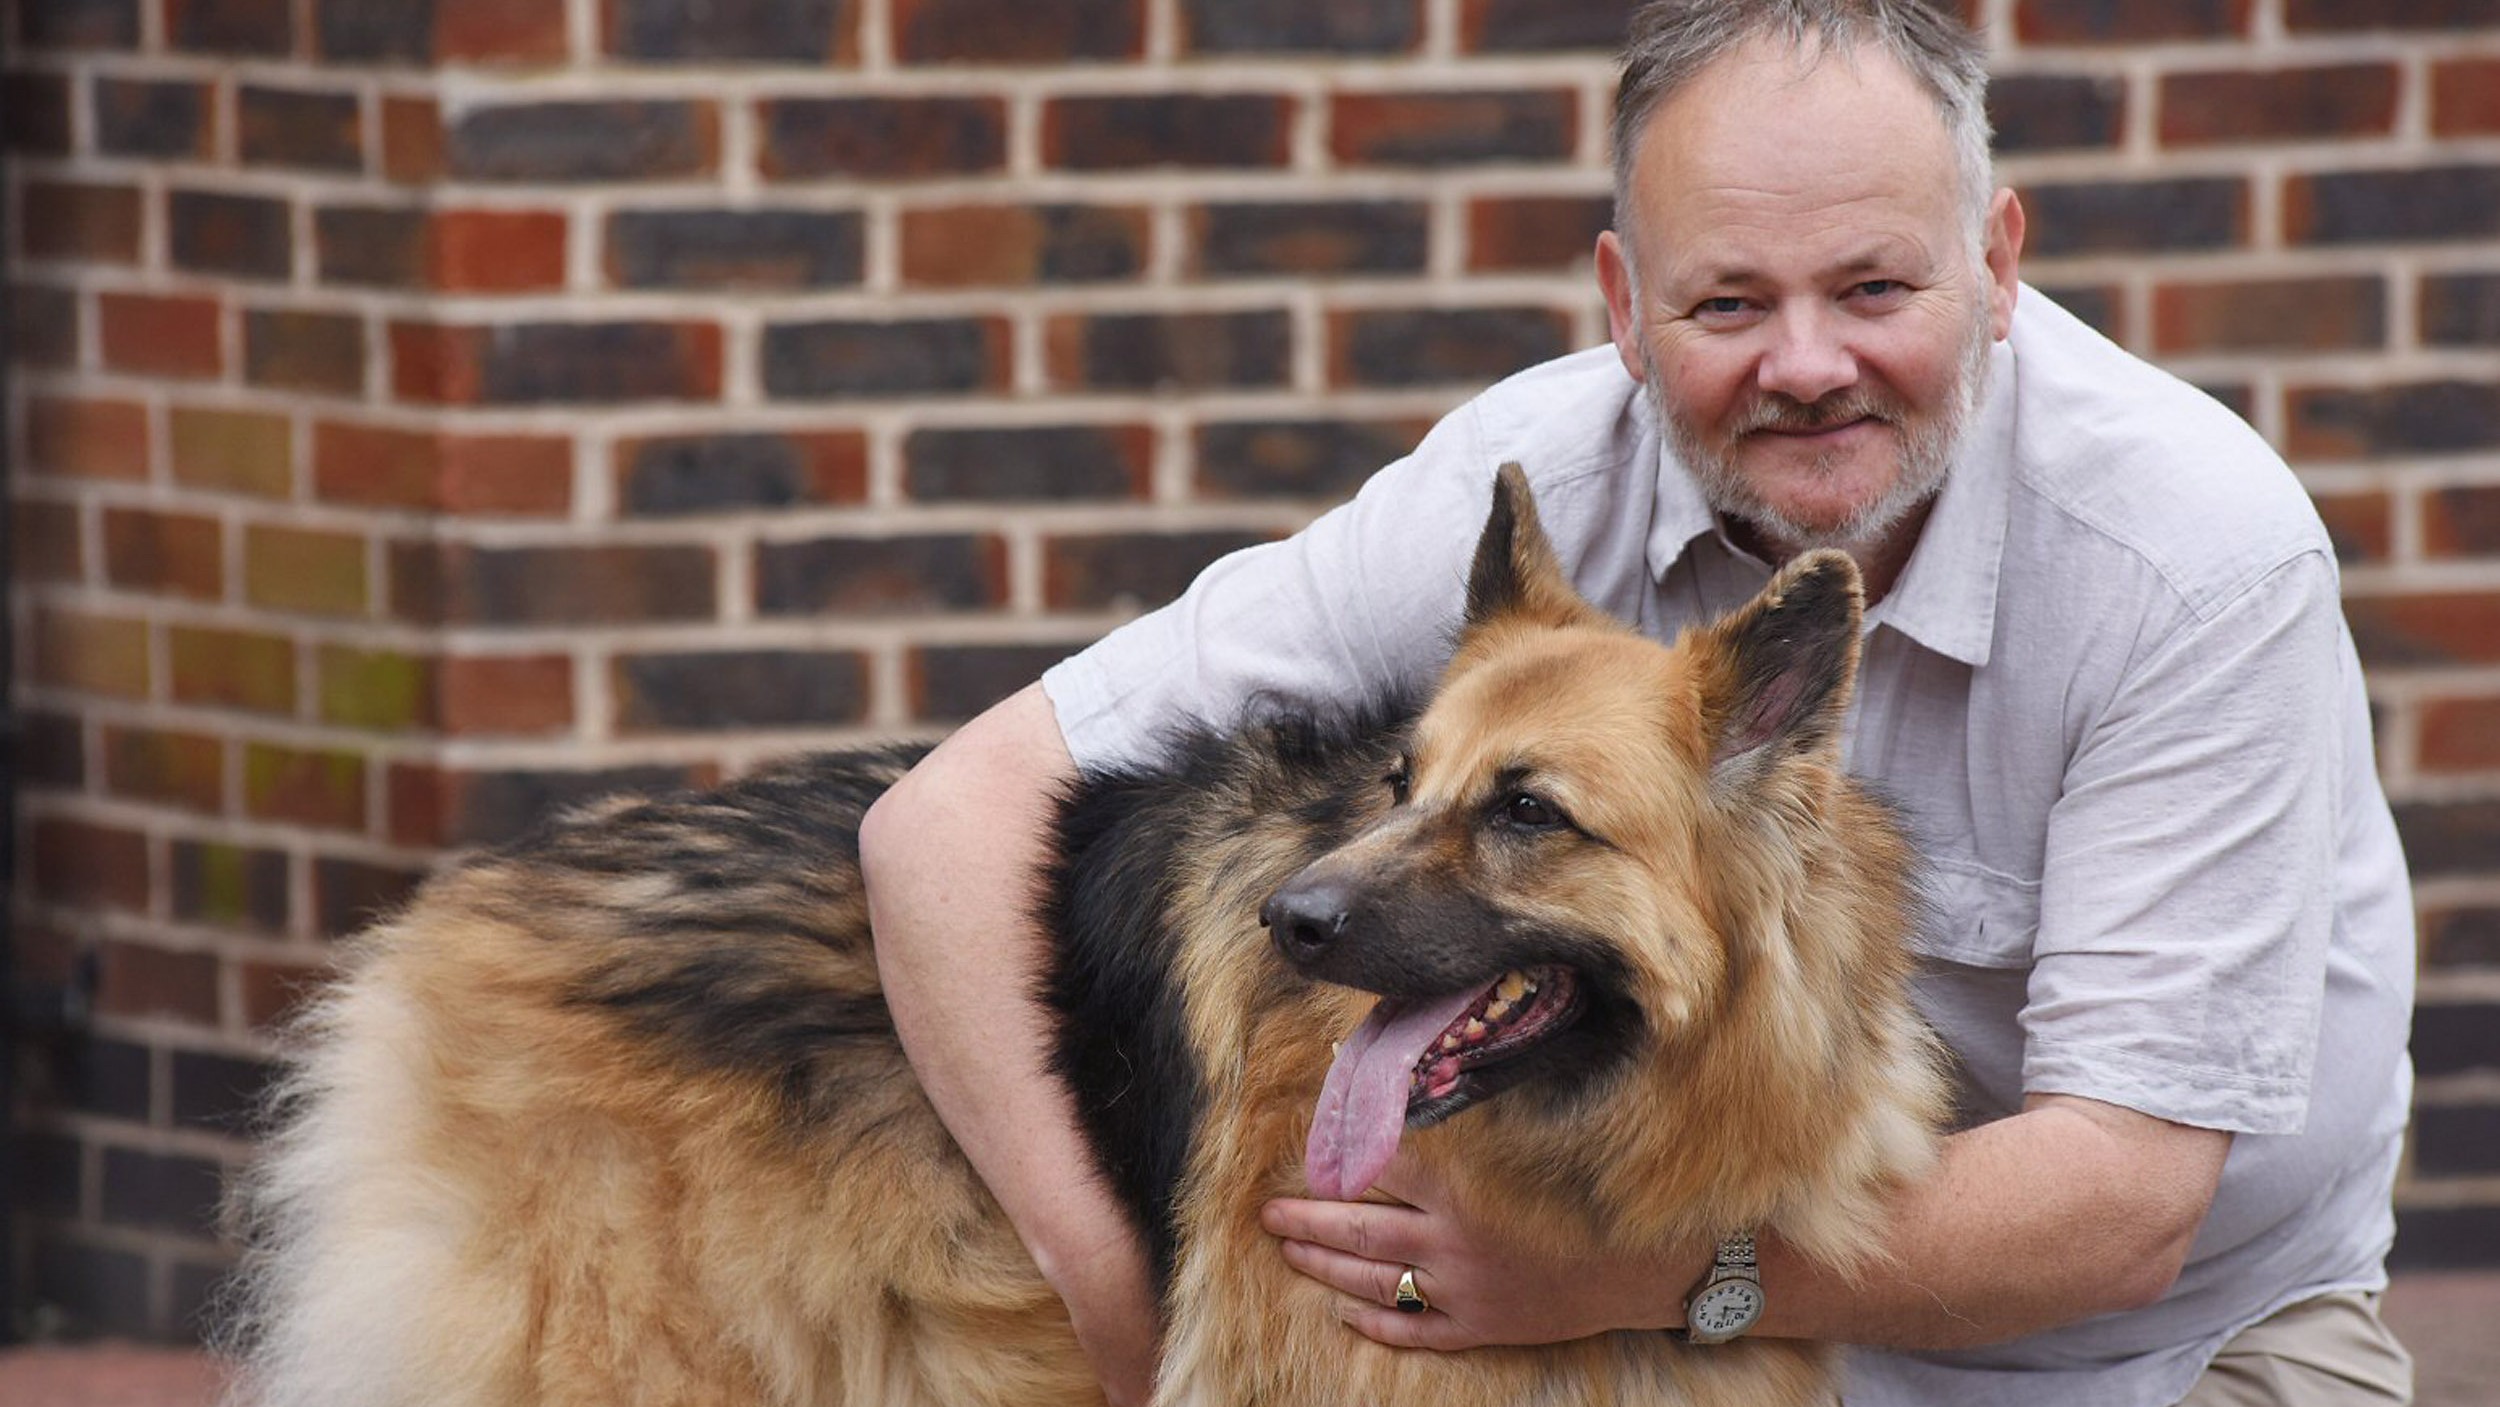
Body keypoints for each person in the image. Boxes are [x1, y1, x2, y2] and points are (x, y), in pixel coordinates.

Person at [858, 2, 2418, 1403]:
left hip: (2169, 1350)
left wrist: (1630, 1282)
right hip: (1740, 1353)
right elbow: (943, 826)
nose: (1808, 365)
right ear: (1624, 304)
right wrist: (1128, 1324)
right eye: (1727, 304)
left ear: (1997, 265)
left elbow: (2127, 1202)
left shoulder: (2194, 561)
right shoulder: (1541, 474)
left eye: (1875, 285)